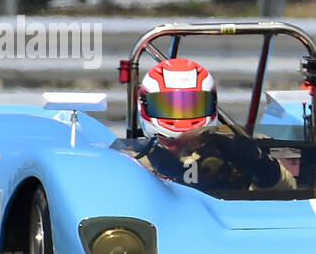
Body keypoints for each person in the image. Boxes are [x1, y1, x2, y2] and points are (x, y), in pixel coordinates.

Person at [117, 58, 297, 192]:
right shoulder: (132, 159)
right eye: (169, 106)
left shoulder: (235, 148)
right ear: (145, 106)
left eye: (192, 105)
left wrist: (260, 164)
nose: (181, 116)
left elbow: (290, 191)